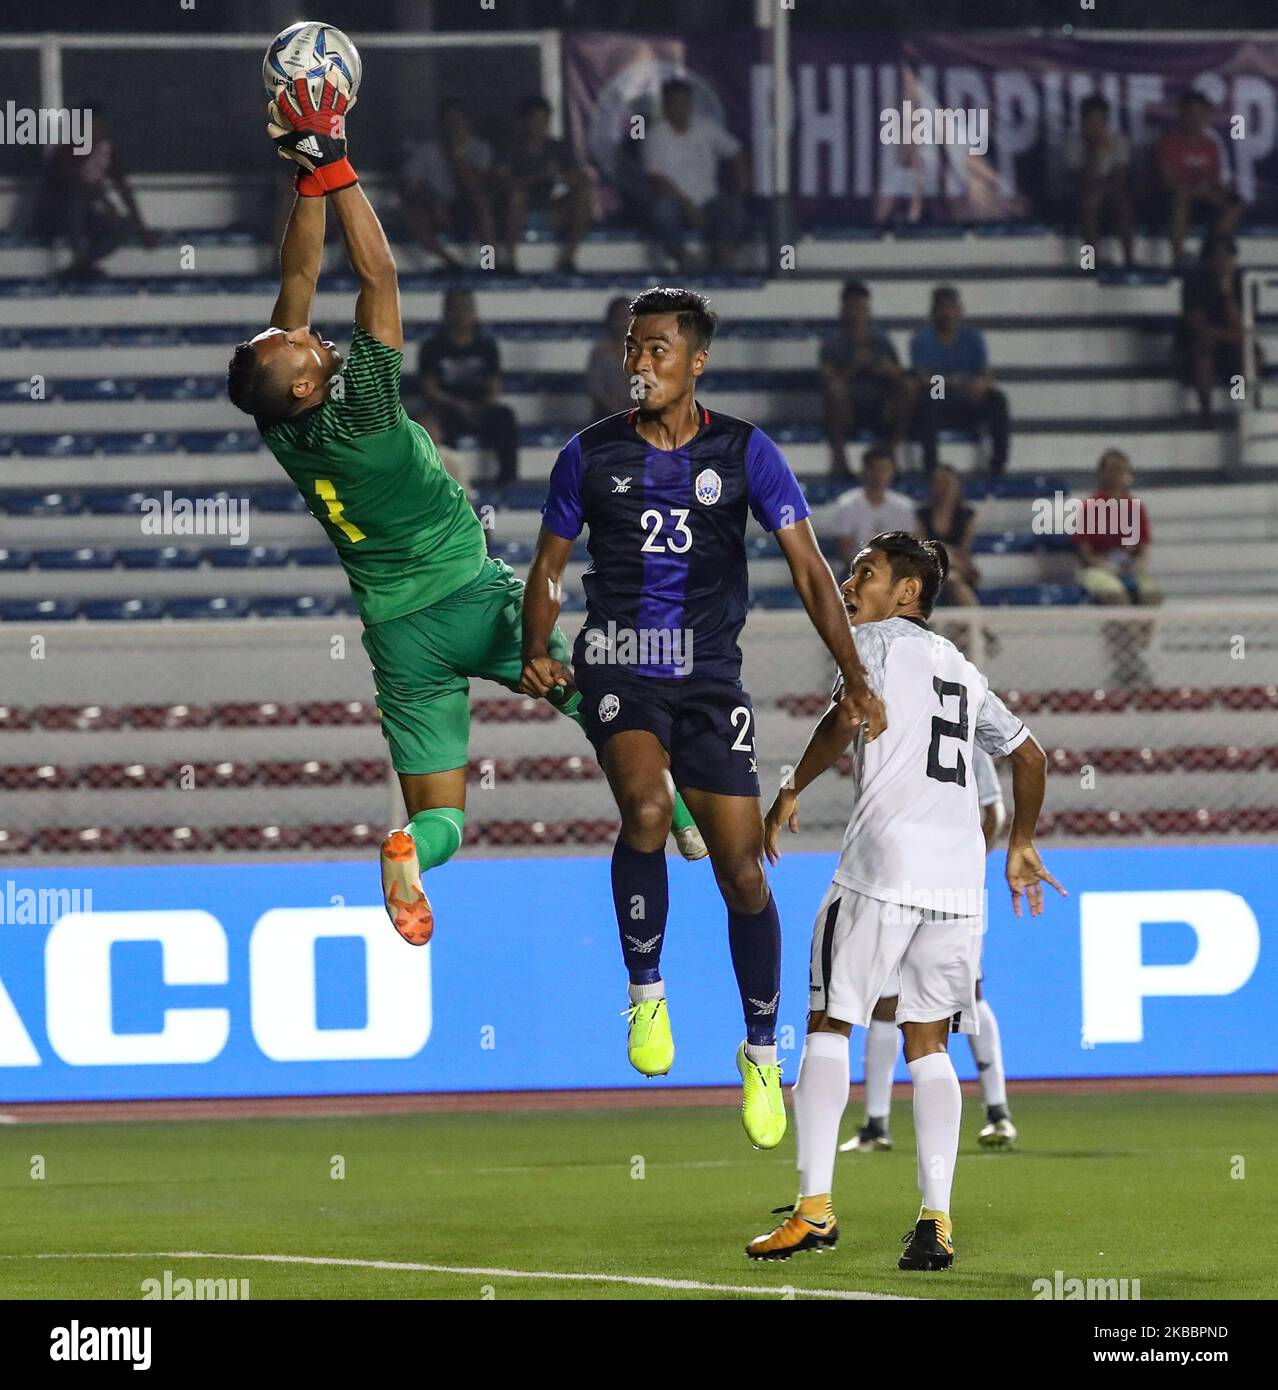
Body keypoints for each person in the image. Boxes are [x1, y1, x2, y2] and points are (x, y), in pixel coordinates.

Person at [225, 76, 708, 946]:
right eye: (293, 340)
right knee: (597, 699)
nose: (301, 327)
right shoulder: (363, 403)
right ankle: (674, 814)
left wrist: (304, 173)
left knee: (443, 811)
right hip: (474, 597)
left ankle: (412, 848)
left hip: (399, 634)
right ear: (304, 380)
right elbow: (378, 273)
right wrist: (339, 167)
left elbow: (300, 271)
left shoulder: (284, 429)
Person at [520, 287, 887, 1149]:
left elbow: (807, 570)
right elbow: (547, 564)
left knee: (746, 876)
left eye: (657, 349)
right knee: (647, 808)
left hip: (711, 681)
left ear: (695, 362)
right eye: (632, 348)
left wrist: (854, 673)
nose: (640, 363)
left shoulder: (748, 453)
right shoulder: (588, 456)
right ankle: (646, 996)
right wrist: (541, 643)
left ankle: (762, 1053)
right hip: (619, 667)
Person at [746, 531, 1063, 1267]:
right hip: (957, 877)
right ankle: (935, 1222)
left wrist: (791, 785)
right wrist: (1020, 842)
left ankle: (815, 1210)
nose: (852, 583)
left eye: (867, 572)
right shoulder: (961, 667)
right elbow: (1029, 755)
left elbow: (851, 714)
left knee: (829, 1022)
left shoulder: (877, 644)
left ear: (907, 594)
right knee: (930, 1042)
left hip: (883, 864)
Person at [841, 745, 1016, 1154]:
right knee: (886, 1000)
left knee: (965, 995)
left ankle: (997, 1112)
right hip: (900, 885)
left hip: (937, 886)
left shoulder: (954, 740)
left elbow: (994, 814)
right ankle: (876, 1124)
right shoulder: (930, 735)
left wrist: (961, 867)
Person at [34, 105, 160, 279]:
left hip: (87, 217)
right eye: (88, 126)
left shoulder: (107, 152)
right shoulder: (65, 151)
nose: (94, 131)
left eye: (97, 126)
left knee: (124, 227)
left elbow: (124, 189)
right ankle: (80, 260)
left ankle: (83, 263)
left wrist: (141, 226)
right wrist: (106, 205)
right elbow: (71, 189)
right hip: (57, 218)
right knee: (76, 200)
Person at [641, 78, 748, 272]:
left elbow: (735, 150)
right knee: (662, 211)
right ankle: (682, 260)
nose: (681, 108)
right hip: (677, 205)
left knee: (732, 208)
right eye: (675, 102)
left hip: (709, 202)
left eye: (685, 102)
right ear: (665, 105)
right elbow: (658, 179)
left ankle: (723, 260)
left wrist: (741, 185)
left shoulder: (706, 127)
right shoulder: (656, 135)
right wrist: (688, 206)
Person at [416, 289, 520, 485]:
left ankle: (508, 480)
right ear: (446, 313)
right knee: (439, 425)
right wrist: (457, 404)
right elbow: (429, 388)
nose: (462, 314)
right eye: (456, 309)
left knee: (505, 417)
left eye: (467, 309)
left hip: (480, 407)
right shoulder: (432, 347)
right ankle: (446, 481)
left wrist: (483, 404)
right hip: (447, 407)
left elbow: (494, 384)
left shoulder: (486, 345)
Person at [1075, 449, 1160, 688]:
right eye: (1111, 470)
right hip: (1098, 567)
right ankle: (1135, 655)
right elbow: (1084, 552)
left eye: (1121, 470)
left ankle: (1136, 647)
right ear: (1102, 473)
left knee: (1152, 592)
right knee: (1115, 593)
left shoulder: (1135, 507)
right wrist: (1107, 567)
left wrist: (1136, 568)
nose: (1117, 475)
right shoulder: (1091, 506)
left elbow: (1142, 549)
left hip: (1127, 565)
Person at [820, 281, 917, 477]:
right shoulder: (833, 344)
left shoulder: (882, 342)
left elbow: (901, 375)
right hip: (849, 410)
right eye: (852, 307)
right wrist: (853, 367)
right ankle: (841, 462)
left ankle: (891, 454)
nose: (857, 313)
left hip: (881, 407)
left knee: (909, 387)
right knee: (835, 391)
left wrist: (887, 370)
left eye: (862, 308)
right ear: (844, 310)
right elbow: (826, 379)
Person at [911, 286, 1010, 477]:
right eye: (942, 308)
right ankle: (931, 467)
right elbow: (924, 377)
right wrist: (956, 383)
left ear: (959, 310)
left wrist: (980, 383)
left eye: (952, 308)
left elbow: (984, 373)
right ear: (933, 312)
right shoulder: (922, 339)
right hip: (939, 395)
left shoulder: (973, 339)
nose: (947, 313)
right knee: (927, 400)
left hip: (967, 398)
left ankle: (999, 464)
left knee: (997, 399)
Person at [400, 100, 505, 272]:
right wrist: (433, 201)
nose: (453, 126)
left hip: (469, 210)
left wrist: (457, 157)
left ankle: (490, 263)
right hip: (438, 209)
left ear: (466, 122)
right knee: (411, 213)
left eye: (457, 121)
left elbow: (478, 184)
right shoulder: (427, 151)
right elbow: (409, 186)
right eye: (448, 122)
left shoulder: (480, 148)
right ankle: (450, 263)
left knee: (482, 204)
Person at [498, 95, 593, 274]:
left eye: (544, 120)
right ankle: (509, 260)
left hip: (553, 209)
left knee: (582, 195)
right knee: (516, 197)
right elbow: (501, 182)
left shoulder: (558, 148)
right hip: (520, 212)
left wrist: (560, 176)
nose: (539, 125)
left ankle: (568, 258)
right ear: (524, 121)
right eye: (534, 120)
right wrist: (537, 178)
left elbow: (581, 178)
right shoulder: (511, 148)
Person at [1157, 91, 1242, 270]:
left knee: (1234, 204)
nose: (1196, 119)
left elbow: (1216, 180)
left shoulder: (1210, 144)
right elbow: (1167, 181)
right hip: (1175, 199)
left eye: (1201, 114)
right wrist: (1193, 190)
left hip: (1204, 199)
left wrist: (1213, 192)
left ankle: (1212, 253)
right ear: (1182, 115)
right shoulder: (1170, 142)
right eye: (1191, 113)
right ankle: (1178, 257)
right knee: (1181, 197)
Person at [1174, 233, 1245, 423]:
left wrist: (1227, 293)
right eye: (1218, 256)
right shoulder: (1195, 283)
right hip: (1194, 345)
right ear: (1207, 259)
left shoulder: (1241, 283)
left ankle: (1240, 404)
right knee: (1204, 348)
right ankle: (1206, 411)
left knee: (1249, 355)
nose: (1223, 261)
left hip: (1228, 344)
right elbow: (1199, 327)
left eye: (1227, 256)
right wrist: (1229, 335)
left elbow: (1241, 326)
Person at [1065, 95, 1134, 270]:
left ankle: (1129, 260)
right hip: (1081, 194)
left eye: (1099, 121)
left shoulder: (1118, 142)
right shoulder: (1073, 144)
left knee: (1123, 205)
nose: (1094, 126)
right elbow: (1080, 181)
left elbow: (1120, 178)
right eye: (1090, 121)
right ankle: (1088, 262)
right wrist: (1093, 152)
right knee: (1090, 204)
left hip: (1112, 191)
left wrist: (1103, 189)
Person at [830, 444, 918, 570]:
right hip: (857, 570)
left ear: (892, 472)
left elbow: (910, 546)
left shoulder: (904, 506)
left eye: (884, 470)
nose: (878, 475)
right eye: (874, 469)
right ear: (864, 470)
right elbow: (844, 549)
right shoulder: (847, 504)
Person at [916, 463, 979, 607]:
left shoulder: (967, 515)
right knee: (952, 578)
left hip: (958, 565)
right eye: (939, 483)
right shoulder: (922, 515)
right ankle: (978, 623)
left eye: (948, 483)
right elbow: (922, 547)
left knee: (954, 577)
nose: (944, 489)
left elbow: (964, 550)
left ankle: (968, 623)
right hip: (930, 566)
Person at [586, 295, 638, 419]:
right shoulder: (600, 353)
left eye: (627, 317)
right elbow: (598, 392)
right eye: (619, 318)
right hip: (606, 418)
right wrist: (620, 412)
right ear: (610, 320)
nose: (623, 323)